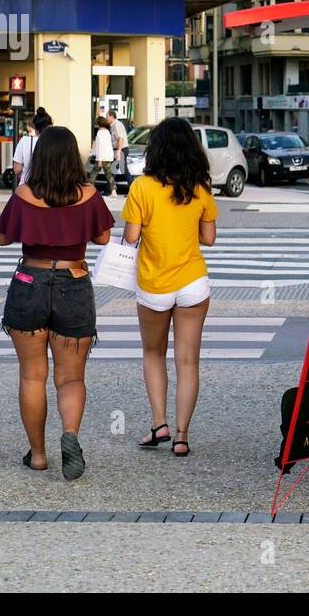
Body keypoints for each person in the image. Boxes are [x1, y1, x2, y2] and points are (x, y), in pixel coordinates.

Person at [0, 126, 114, 480]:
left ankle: (39, 455)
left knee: (33, 376)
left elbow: (2, 237)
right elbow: (103, 236)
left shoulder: (24, 194)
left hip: (30, 280)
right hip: (73, 282)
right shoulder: (89, 194)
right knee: (71, 377)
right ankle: (70, 435)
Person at [121, 117, 219, 458]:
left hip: (154, 283)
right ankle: (181, 436)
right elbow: (208, 239)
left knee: (153, 353)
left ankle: (159, 424)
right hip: (193, 282)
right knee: (188, 361)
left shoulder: (142, 187)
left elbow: (131, 237)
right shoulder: (201, 187)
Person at [12, 107, 52, 187]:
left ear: (34, 126)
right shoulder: (55, 142)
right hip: (50, 188)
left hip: (27, 188)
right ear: (50, 125)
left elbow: (17, 169)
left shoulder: (25, 141)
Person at [91, 116, 115, 196]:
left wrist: (99, 160)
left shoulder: (99, 133)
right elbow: (109, 145)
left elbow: (99, 146)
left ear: (98, 124)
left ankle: (90, 191)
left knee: (93, 174)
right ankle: (113, 191)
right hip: (108, 157)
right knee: (109, 175)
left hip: (101, 157)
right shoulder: (107, 132)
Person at [107, 108, 129, 179]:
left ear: (111, 116)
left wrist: (118, 152)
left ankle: (109, 189)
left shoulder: (116, 125)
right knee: (116, 171)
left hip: (121, 150)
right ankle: (110, 189)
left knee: (117, 171)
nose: (106, 118)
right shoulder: (113, 125)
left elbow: (121, 138)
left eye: (107, 116)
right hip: (119, 150)